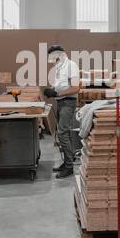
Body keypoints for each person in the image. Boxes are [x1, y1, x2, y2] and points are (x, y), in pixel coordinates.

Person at [44, 45, 81, 177]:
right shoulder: (60, 68)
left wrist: (57, 94)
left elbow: (76, 88)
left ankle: (69, 167)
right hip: (61, 103)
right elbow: (61, 86)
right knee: (65, 134)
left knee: (62, 133)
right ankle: (66, 163)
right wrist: (52, 90)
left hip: (68, 103)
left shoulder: (71, 65)